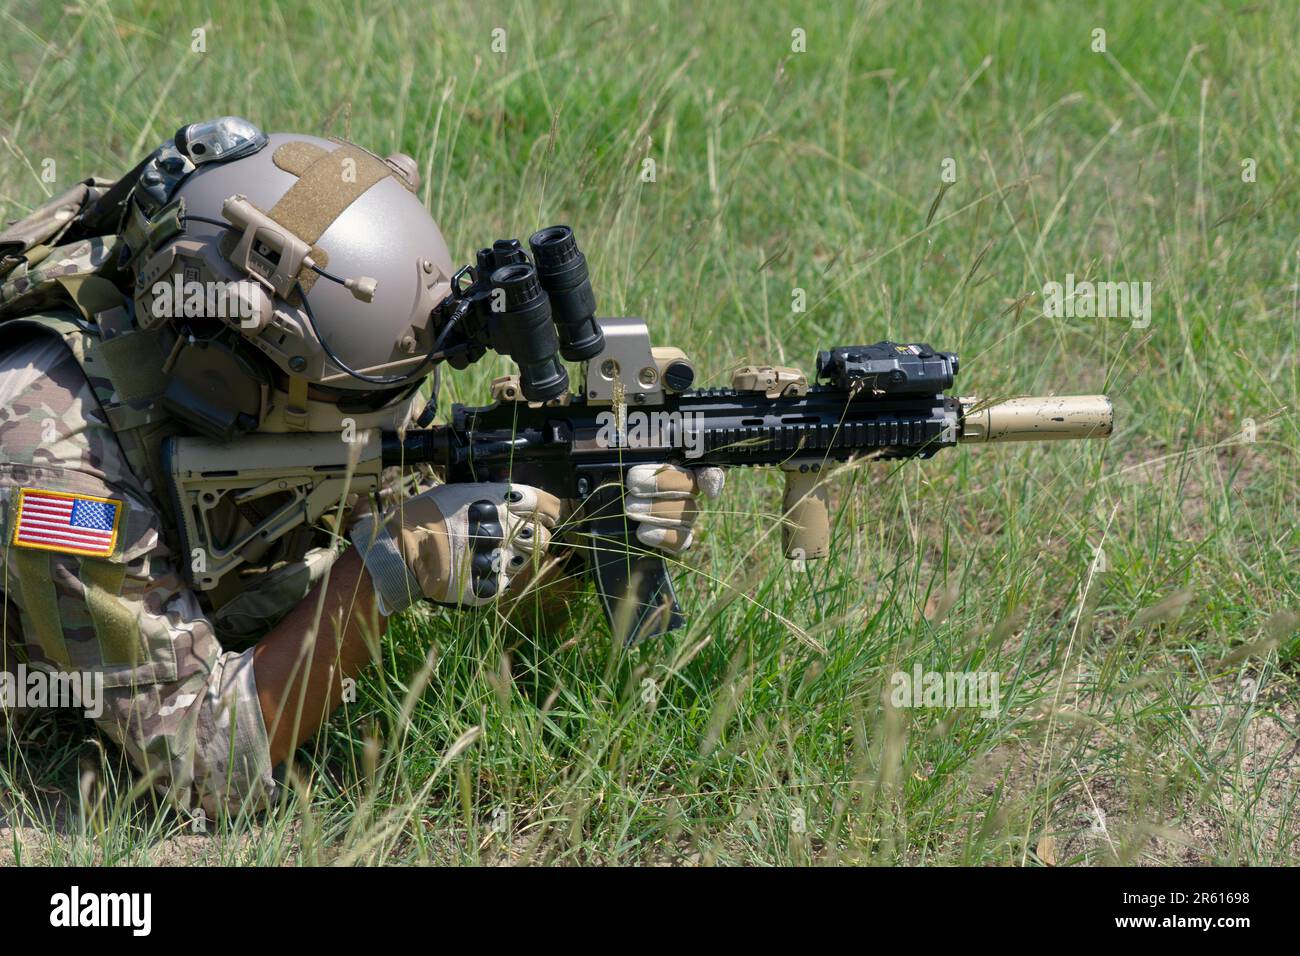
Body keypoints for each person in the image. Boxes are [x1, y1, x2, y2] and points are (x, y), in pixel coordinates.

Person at [0, 117, 721, 818]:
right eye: (360, 406)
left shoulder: (239, 354)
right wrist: (385, 569)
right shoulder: (53, 471)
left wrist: (575, 519)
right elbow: (204, 766)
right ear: (228, 381)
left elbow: (448, 537)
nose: (392, 429)